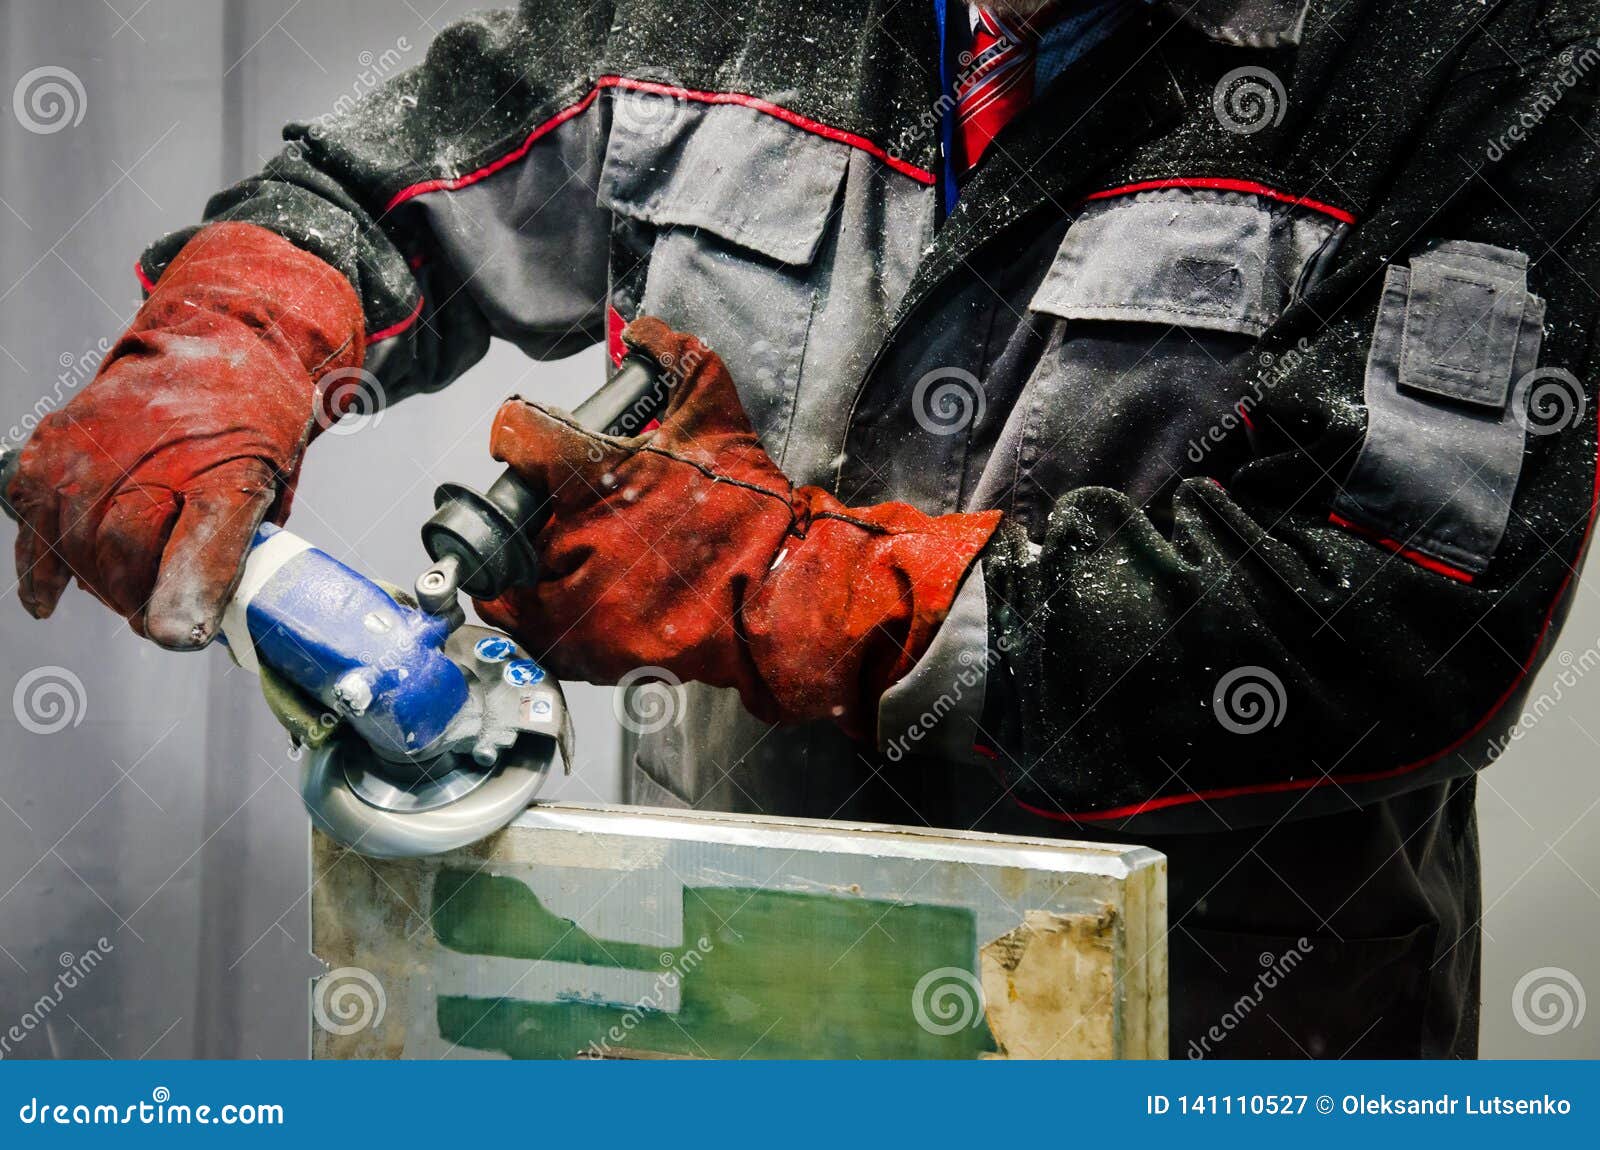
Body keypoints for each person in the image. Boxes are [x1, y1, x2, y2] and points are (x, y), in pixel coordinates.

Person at [8, 0, 1599, 1058]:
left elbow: (1405, 614)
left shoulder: (1484, 52)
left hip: (1209, 1040)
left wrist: (800, 587)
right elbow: (391, 183)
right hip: (726, 1012)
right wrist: (239, 327)